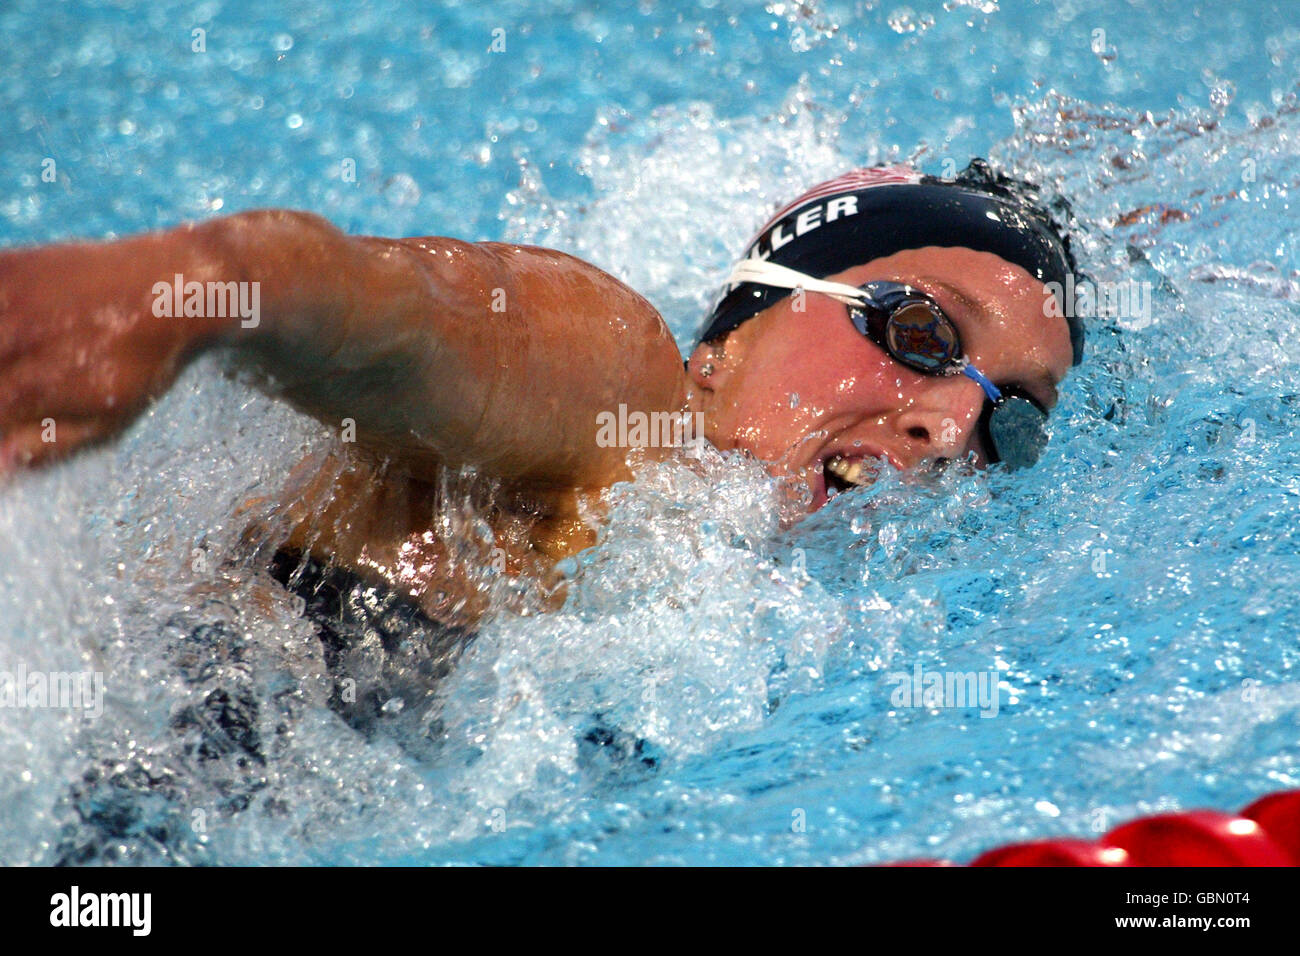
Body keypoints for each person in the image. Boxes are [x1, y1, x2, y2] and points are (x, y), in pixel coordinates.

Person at [0, 159, 1081, 633]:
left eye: (1013, 418)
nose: (952, 424)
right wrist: (191, 290)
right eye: (921, 331)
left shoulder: (738, 611)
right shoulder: (628, 389)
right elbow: (396, 310)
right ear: (730, 336)